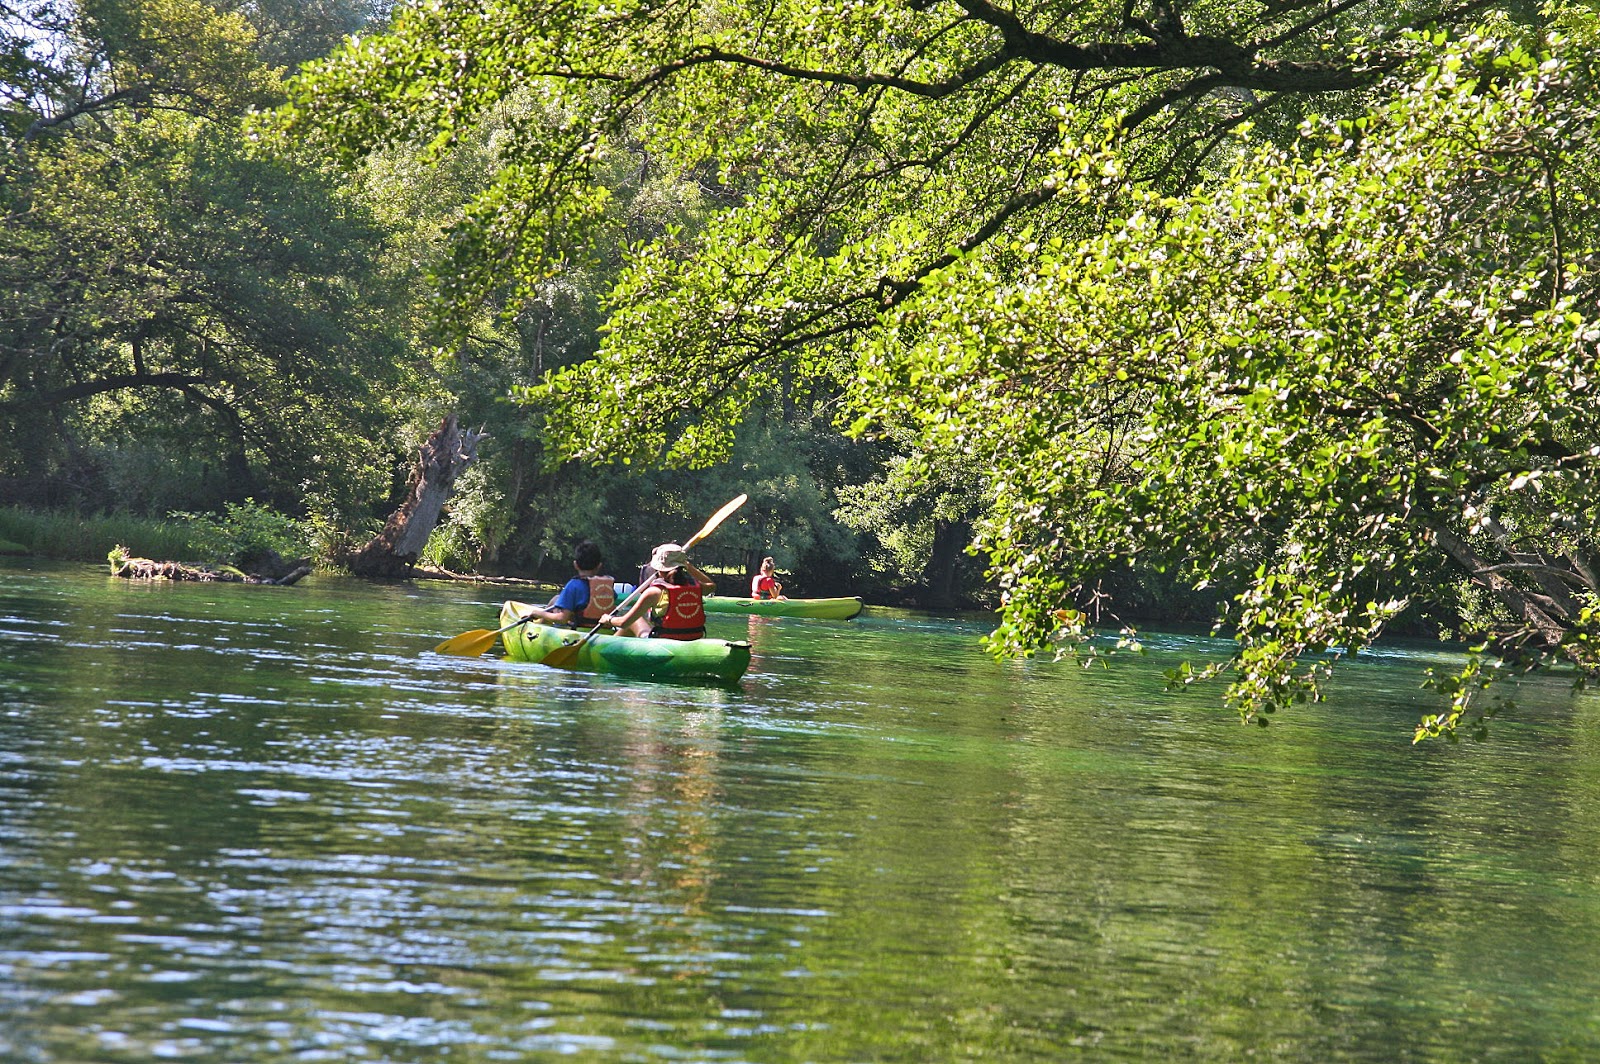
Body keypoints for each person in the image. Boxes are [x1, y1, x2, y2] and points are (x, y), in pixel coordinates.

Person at [600, 542, 716, 639]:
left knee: (636, 621)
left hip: (664, 644)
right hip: (693, 639)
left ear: (658, 568)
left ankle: (607, 648)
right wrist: (687, 565)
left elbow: (624, 622)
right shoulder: (697, 586)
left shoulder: (654, 592)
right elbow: (712, 586)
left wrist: (608, 619)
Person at [519, 539, 616, 627]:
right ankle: (541, 625)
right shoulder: (607, 587)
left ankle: (539, 627)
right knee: (556, 599)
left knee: (555, 601)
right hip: (602, 629)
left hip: (579, 631)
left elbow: (562, 618)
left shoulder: (573, 586)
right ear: (599, 566)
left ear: (575, 565)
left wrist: (539, 613)